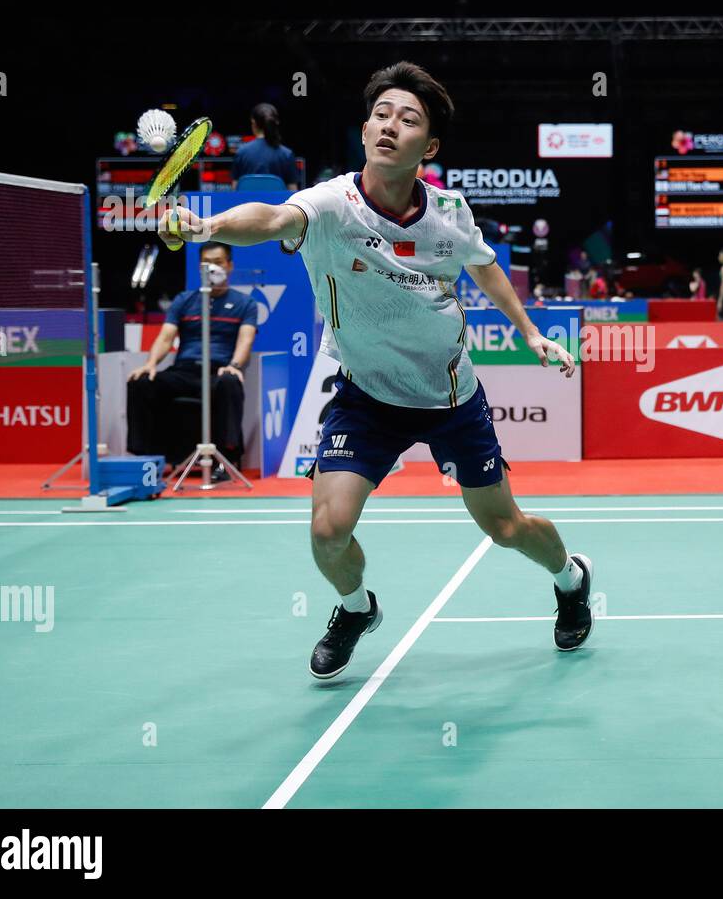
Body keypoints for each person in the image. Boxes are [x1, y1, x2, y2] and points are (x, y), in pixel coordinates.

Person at [157, 61, 595, 679]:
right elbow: (275, 218)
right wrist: (207, 226)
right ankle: (356, 608)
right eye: (381, 115)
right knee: (328, 530)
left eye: (408, 119)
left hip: (449, 397)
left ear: (431, 146)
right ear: (364, 131)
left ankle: (570, 579)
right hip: (366, 397)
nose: (391, 125)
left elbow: (484, 264)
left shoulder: (448, 212)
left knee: (504, 526)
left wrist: (529, 333)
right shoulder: (332, 205)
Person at [127, 242, 258, 480]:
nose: (212, 268)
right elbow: (166, 337)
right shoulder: (184, 300)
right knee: (141, 382)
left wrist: (234, 366)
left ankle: (225, 461)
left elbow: (245, 341)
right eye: (206, 263)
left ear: (229, 266)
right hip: (184, 371)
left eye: (218, 262)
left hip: (218, 371)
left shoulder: (245, 303)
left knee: (229, 382)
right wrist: (151, 364)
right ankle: (144, 459)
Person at [231, 103, 299, 191]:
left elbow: (234, 191)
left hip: (248, 204)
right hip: (276, 204)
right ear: (275, 123)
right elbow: (292, 191)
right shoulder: (287, 154)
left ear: (253, 123)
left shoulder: (241, 152)